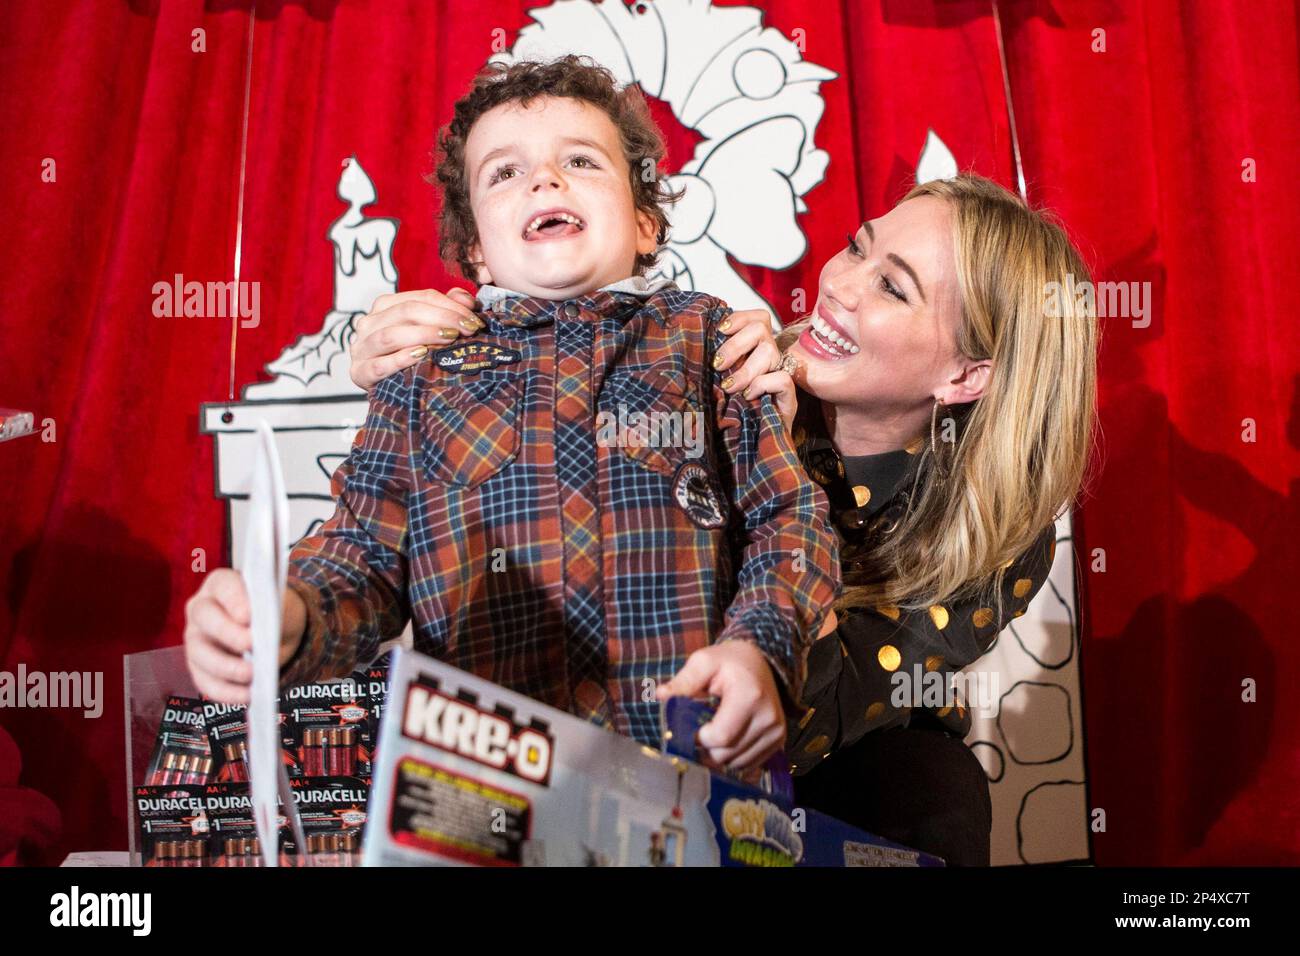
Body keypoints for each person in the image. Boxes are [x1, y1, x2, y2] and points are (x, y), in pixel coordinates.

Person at [352, 173, 1098, 865]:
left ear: (966, 375)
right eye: (855, 248)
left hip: (813, 767)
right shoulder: (713, 361)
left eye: (892, 290)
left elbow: (809, 727)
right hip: (625, 728)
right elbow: (547, 462)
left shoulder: (996, 537)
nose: (837, 286)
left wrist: (779, 475)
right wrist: (419, 368)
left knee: (934, 782)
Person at [182, 56, 840, 775]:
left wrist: (761, 648)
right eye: (504, 172)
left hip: (690, 777)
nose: (545, 180)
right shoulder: (422, 379)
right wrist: (292, 614)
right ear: (475, 254)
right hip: (489, 793)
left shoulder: (710, 341)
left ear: (647, 224)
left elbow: (788, 518)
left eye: (581, 161)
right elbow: (364, 554)